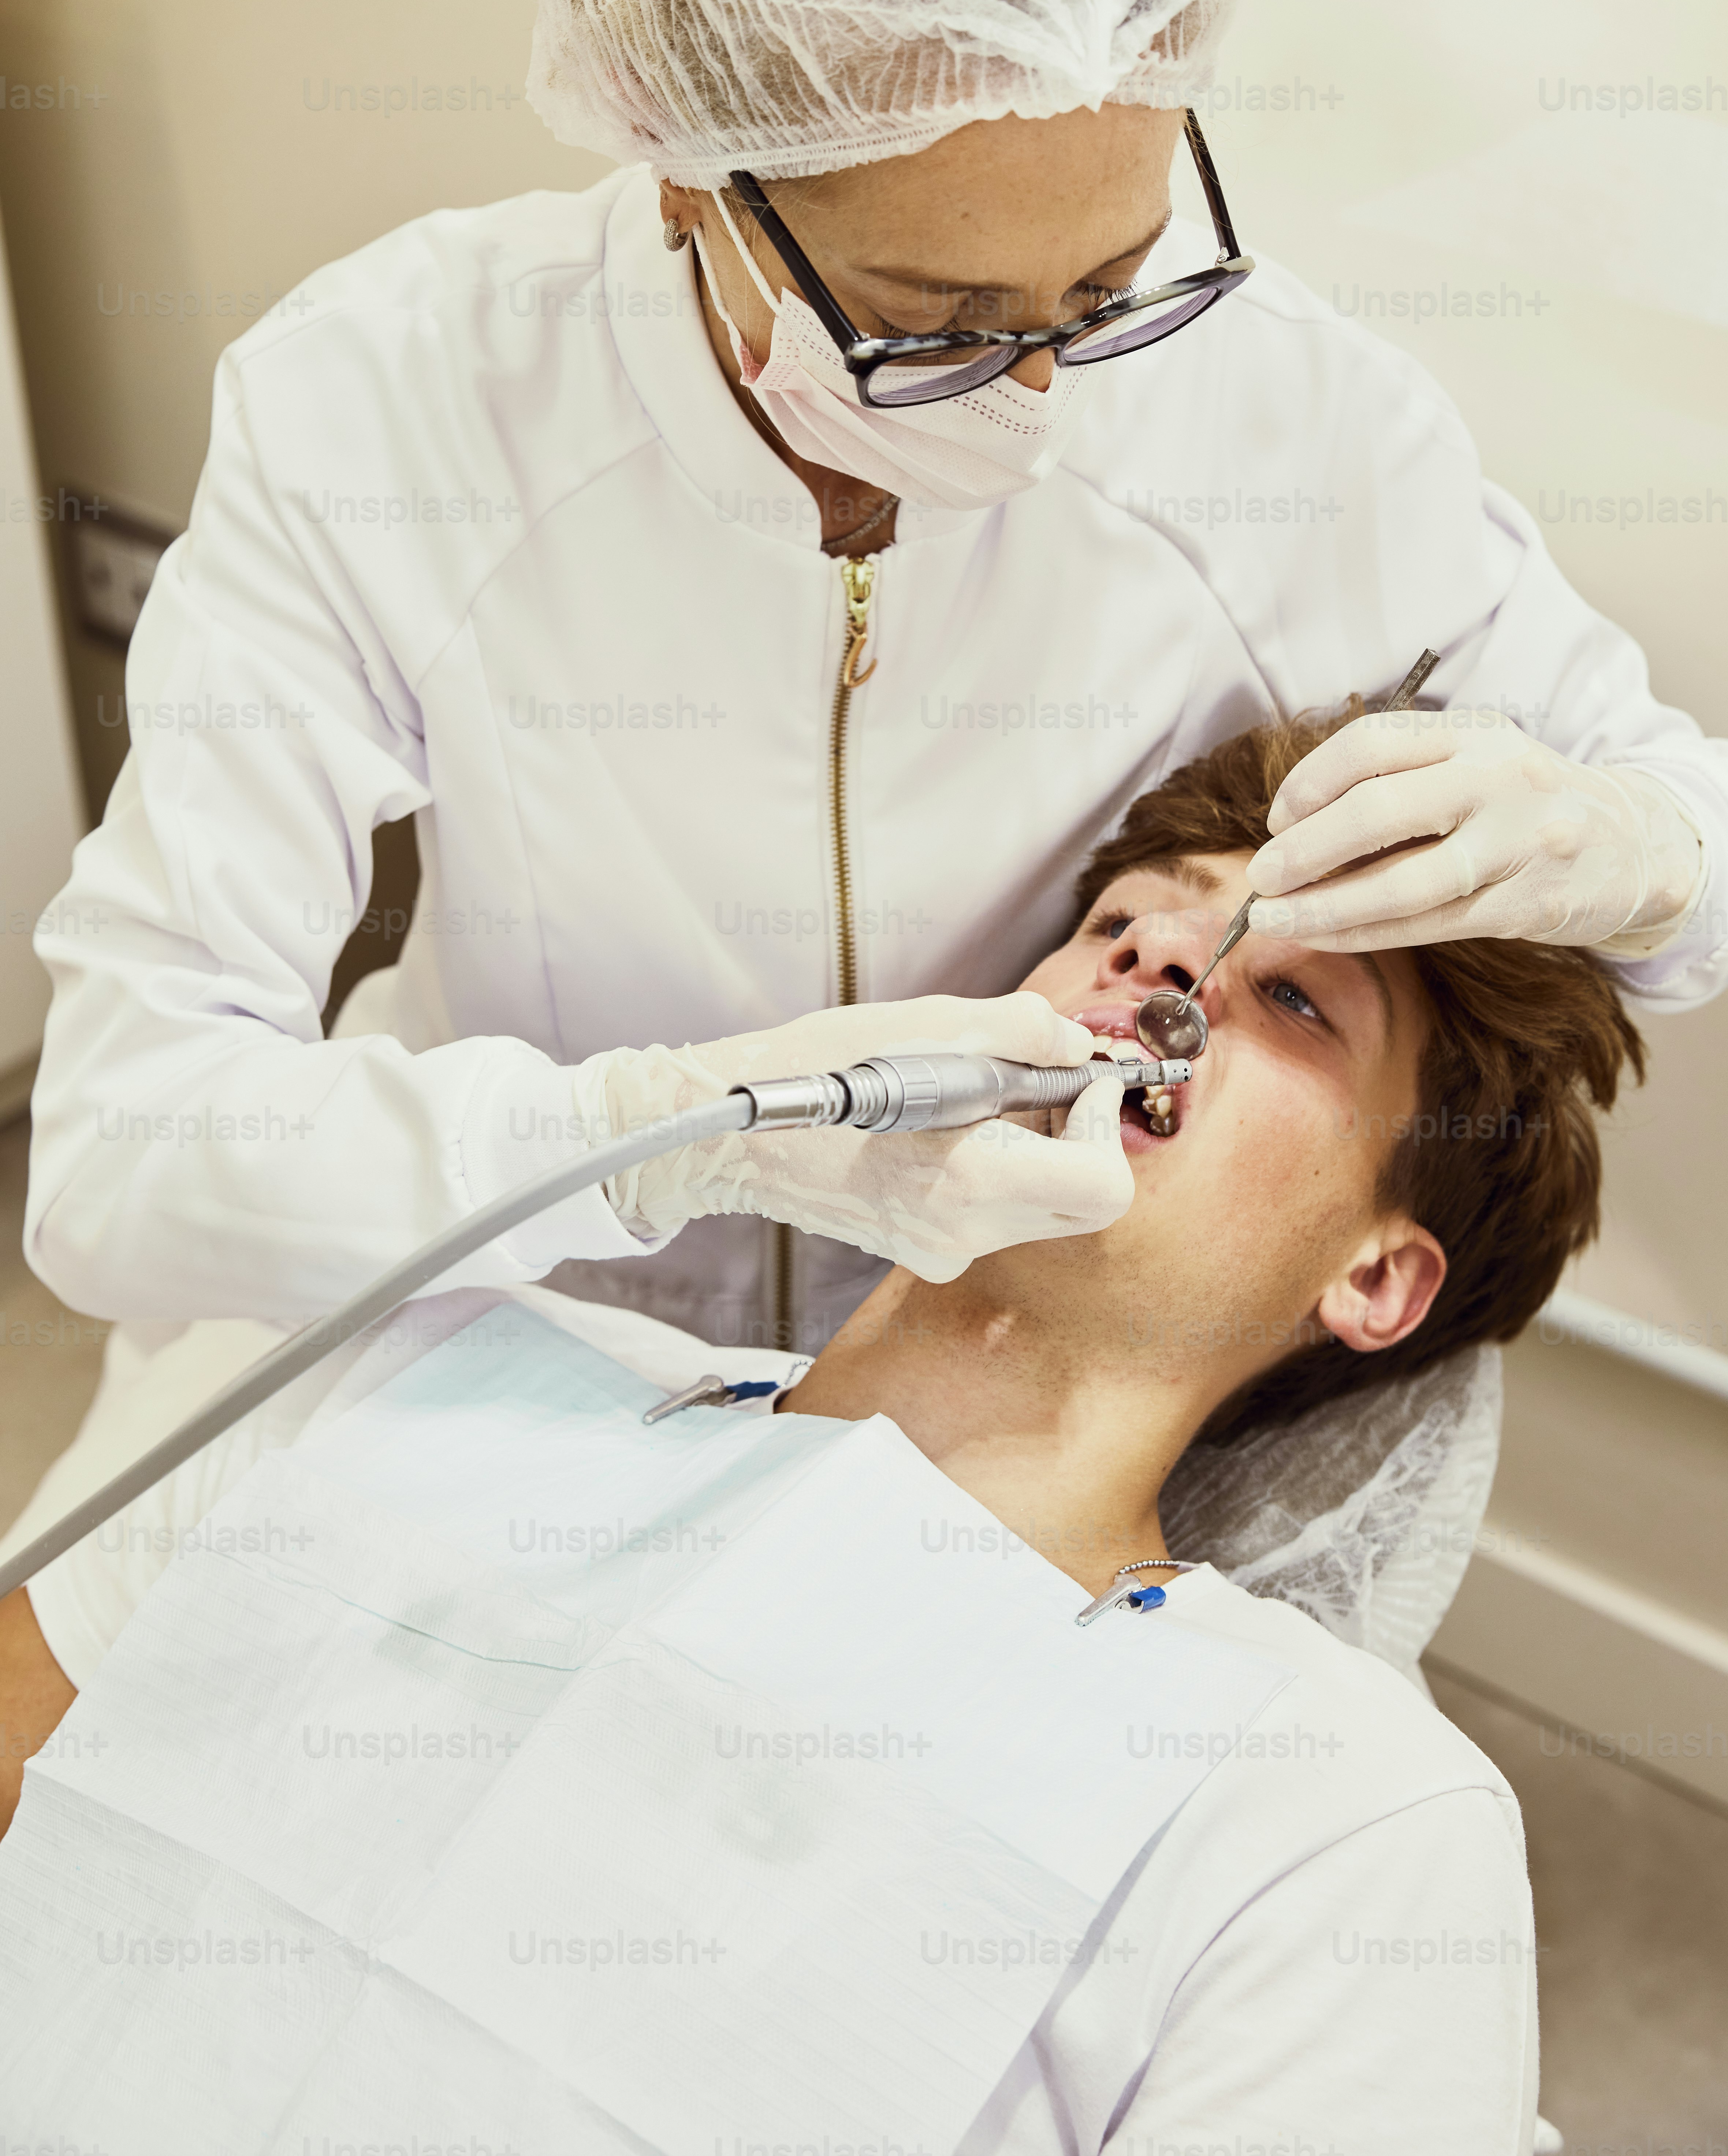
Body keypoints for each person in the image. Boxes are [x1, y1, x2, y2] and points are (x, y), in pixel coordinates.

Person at [23, 0, 1728, 1399]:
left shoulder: (1284, 420)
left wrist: (1631, 852)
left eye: (1104, 291)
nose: (1032, 402)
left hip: (976, 1383)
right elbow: (123, 1156)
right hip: (499, 1336)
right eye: (931, 324)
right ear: (680, 157)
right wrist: (673, 1136)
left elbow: (1710, 853)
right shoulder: (394, 400)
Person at [0, 713, 1643, 2150]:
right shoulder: (424, 1354)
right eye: (1125, 924)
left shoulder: (1333, 1813)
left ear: (1375, 1276)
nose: (1153, 968)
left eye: (1290, 998)